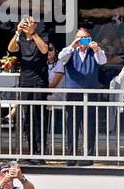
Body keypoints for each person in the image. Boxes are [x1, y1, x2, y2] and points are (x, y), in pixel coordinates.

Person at [59, 27, 107, 161]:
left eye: (85, 37)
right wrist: (72, 46)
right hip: (73, 94)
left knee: (90, 125)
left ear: (90, 39)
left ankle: (88, 156)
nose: (82, 40)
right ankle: (72, 156)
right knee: (72, 125)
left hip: (90, 93)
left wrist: (97, 49)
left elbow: (103, 61)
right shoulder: (70, 51)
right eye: (79, 37)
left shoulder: (95, 52)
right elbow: (60, 57)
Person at [8, 15, 53, 154]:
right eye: (26, 23)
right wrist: (18, 31)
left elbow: (45, 50)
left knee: (39, 116)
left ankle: (41, 152)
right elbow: (11, 48)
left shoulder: (42, 36)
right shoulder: (21, 40)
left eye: (31, 23)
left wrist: (33, 33)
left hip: (39, 82)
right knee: (27, 117)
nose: (28, 25)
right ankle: (32, 150)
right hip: (25, 81)